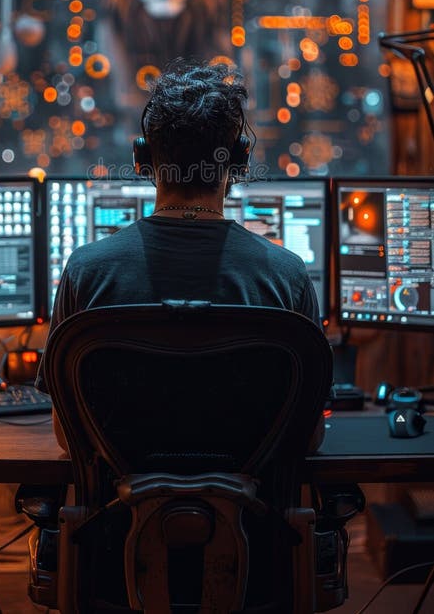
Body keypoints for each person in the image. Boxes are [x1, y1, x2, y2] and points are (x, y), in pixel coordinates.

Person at [36, 59, 324, 450]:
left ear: (143, 159)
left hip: (122, 509)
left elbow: (66, 437)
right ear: (239, 160)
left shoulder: (86, 271)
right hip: (249, 509)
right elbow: (310, 437)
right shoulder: (287, 275)